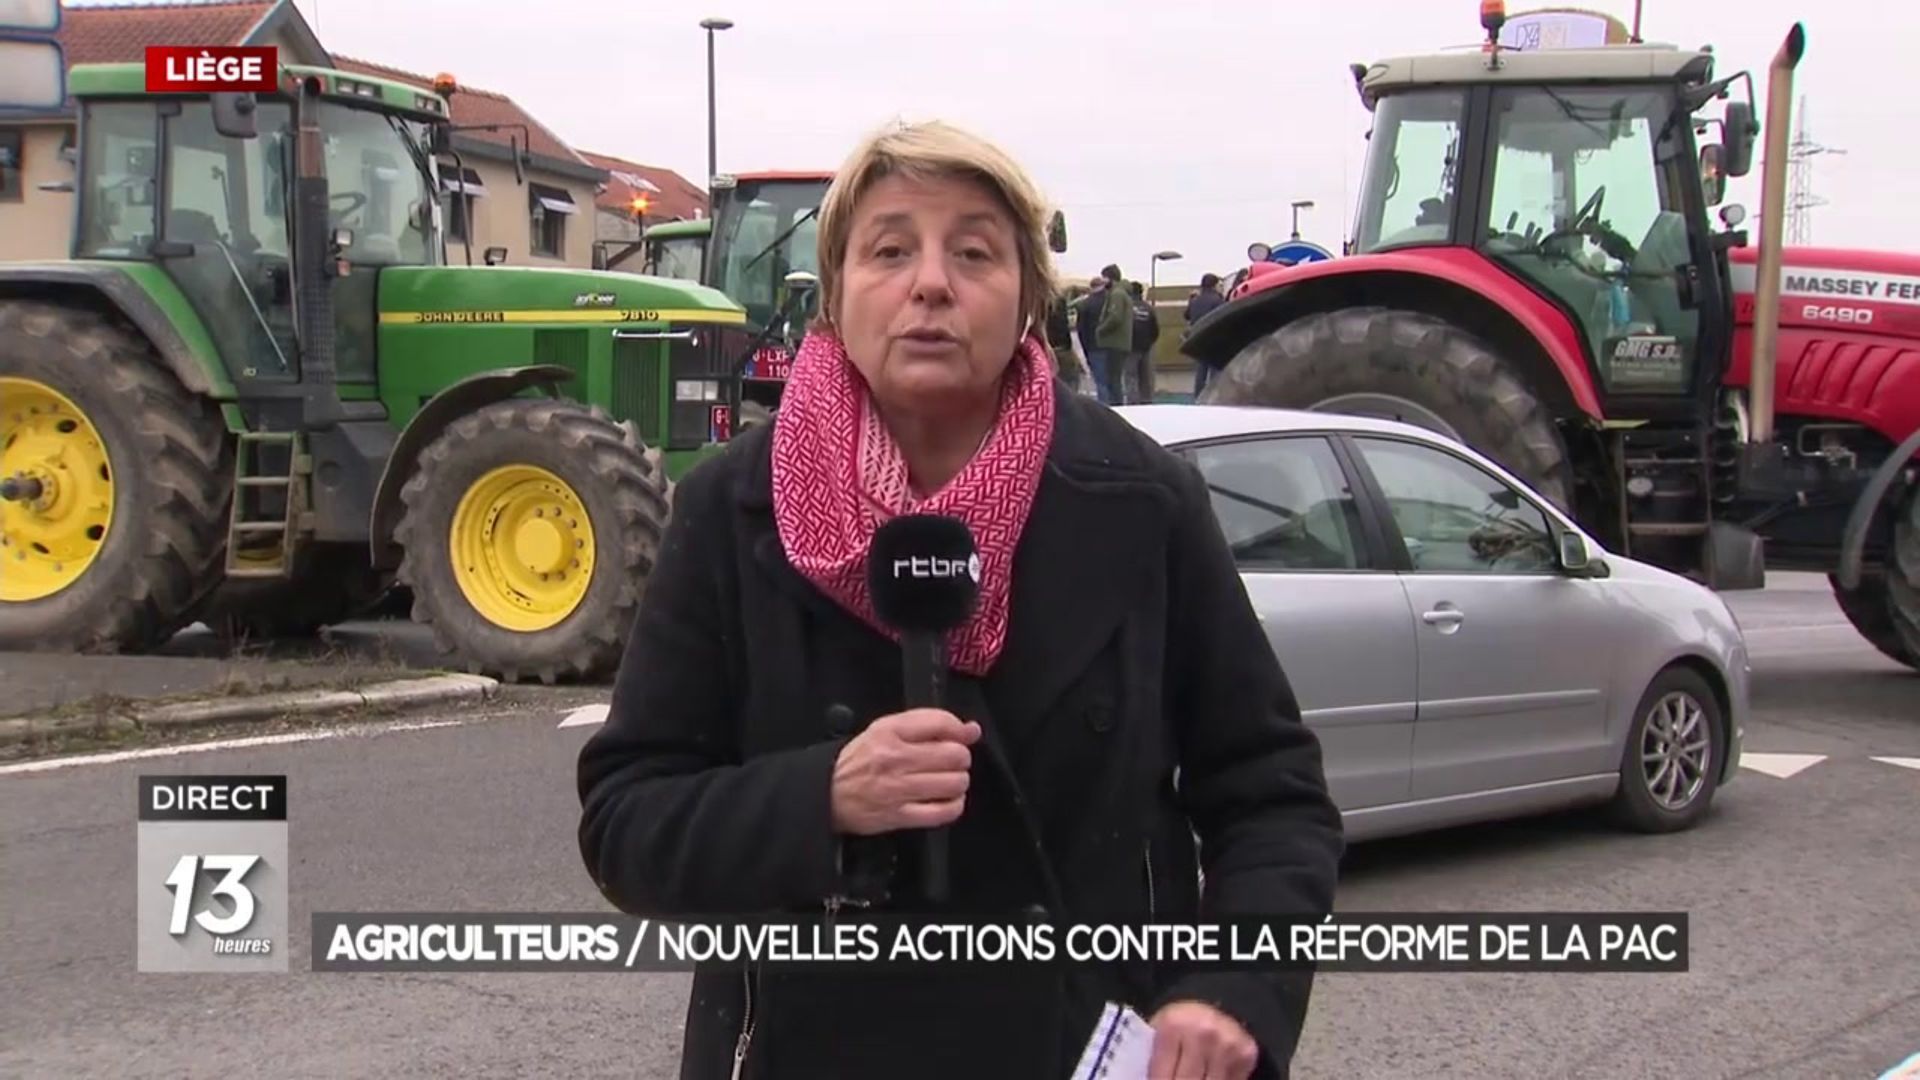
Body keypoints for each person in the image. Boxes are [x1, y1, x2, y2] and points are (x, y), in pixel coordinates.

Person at [576, 118, 1343, 1080]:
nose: (930, 282)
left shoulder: (1143, 504)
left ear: (1026, 296)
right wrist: (820, 798)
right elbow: (625, 821)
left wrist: (1237, 988)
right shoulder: (732, 510)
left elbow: (1272, 796)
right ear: (837, 297)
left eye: (973, 251)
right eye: (890, 250)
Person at [1091, 263, 1134, 404]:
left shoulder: (1117, 294)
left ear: (1110, 278)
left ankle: (1117, 407)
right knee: (1115, 379)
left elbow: (1115, 317)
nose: (1102, 282)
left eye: (1104, 278)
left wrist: (1100, 329)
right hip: (1120, 342)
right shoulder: (1123, 294)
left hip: (1114, 342)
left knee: (1112, 380)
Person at [1185, 273, 1228, 398]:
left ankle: (1198, 396)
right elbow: (1223, 317)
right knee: (1214, 371)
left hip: (1198, 338)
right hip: (1214, 338)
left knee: (1200, 371)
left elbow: (1186, 315)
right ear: (1214, 285)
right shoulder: (1218, 300)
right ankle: (1212, 397)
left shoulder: (1195, 300)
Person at [1127, 280, 1161, 404]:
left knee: (1131, 377)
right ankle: (1147, 402)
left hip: (1130, 347)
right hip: (1146, 347)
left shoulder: (1127, 308)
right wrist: (1149, 342)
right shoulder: (1148, 308)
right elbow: (1155, 329)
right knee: (1146, 378)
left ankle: (1133, 403)